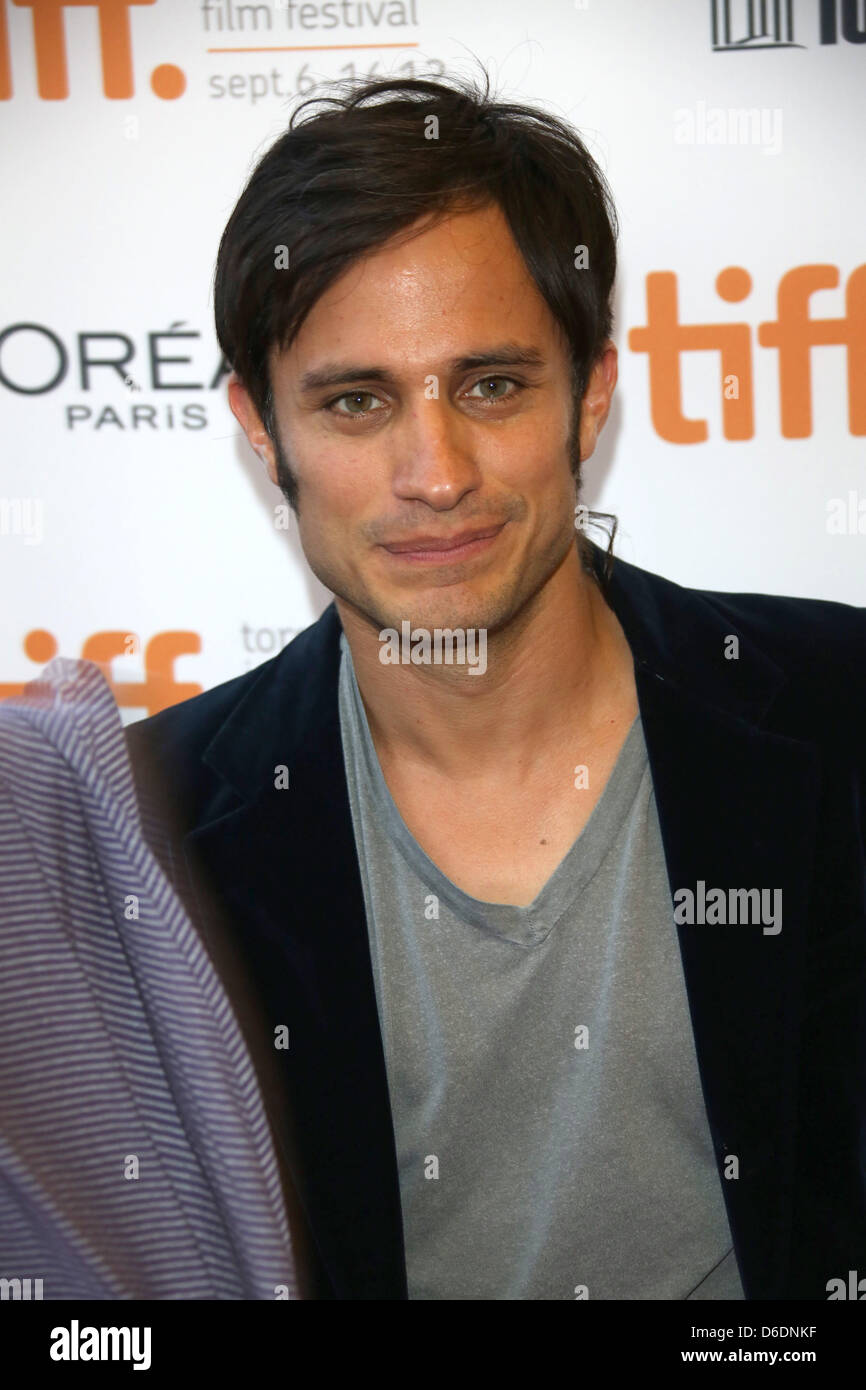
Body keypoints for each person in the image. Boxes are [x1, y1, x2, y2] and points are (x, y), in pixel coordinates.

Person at [125, 72, 866, 1300]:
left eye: (490, 385)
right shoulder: (150, 827)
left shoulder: (839, 717)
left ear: (589, 391)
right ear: (262, 428)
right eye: (356, 401)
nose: (435, 471)